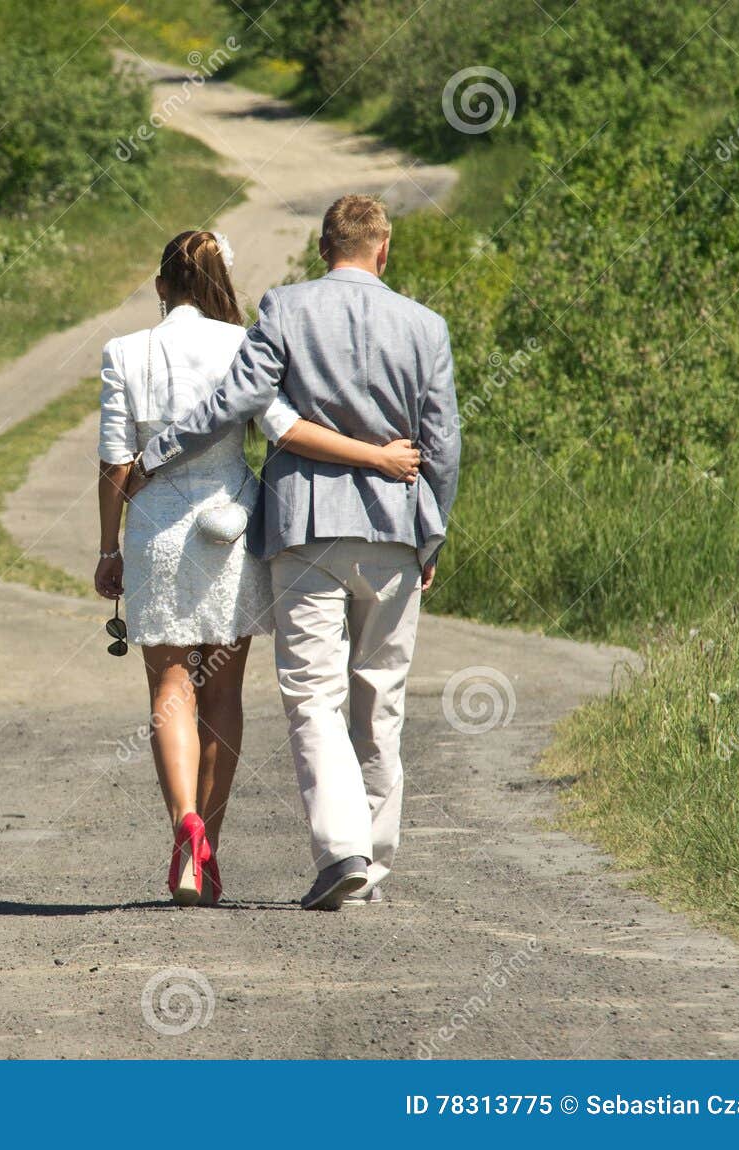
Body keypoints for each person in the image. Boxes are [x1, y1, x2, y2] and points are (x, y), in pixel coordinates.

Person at [133, 198, 461, 910]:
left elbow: (236, 400)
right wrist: (430, 532)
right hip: (395, 532)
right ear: (384, 250)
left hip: (306, 529)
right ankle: (369, 863)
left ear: (322, 248)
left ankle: (339, 851)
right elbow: (443, 446)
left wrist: (155, 453)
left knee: (313, 695)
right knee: (381, 698)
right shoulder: (426, 326)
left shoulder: (284, 308)